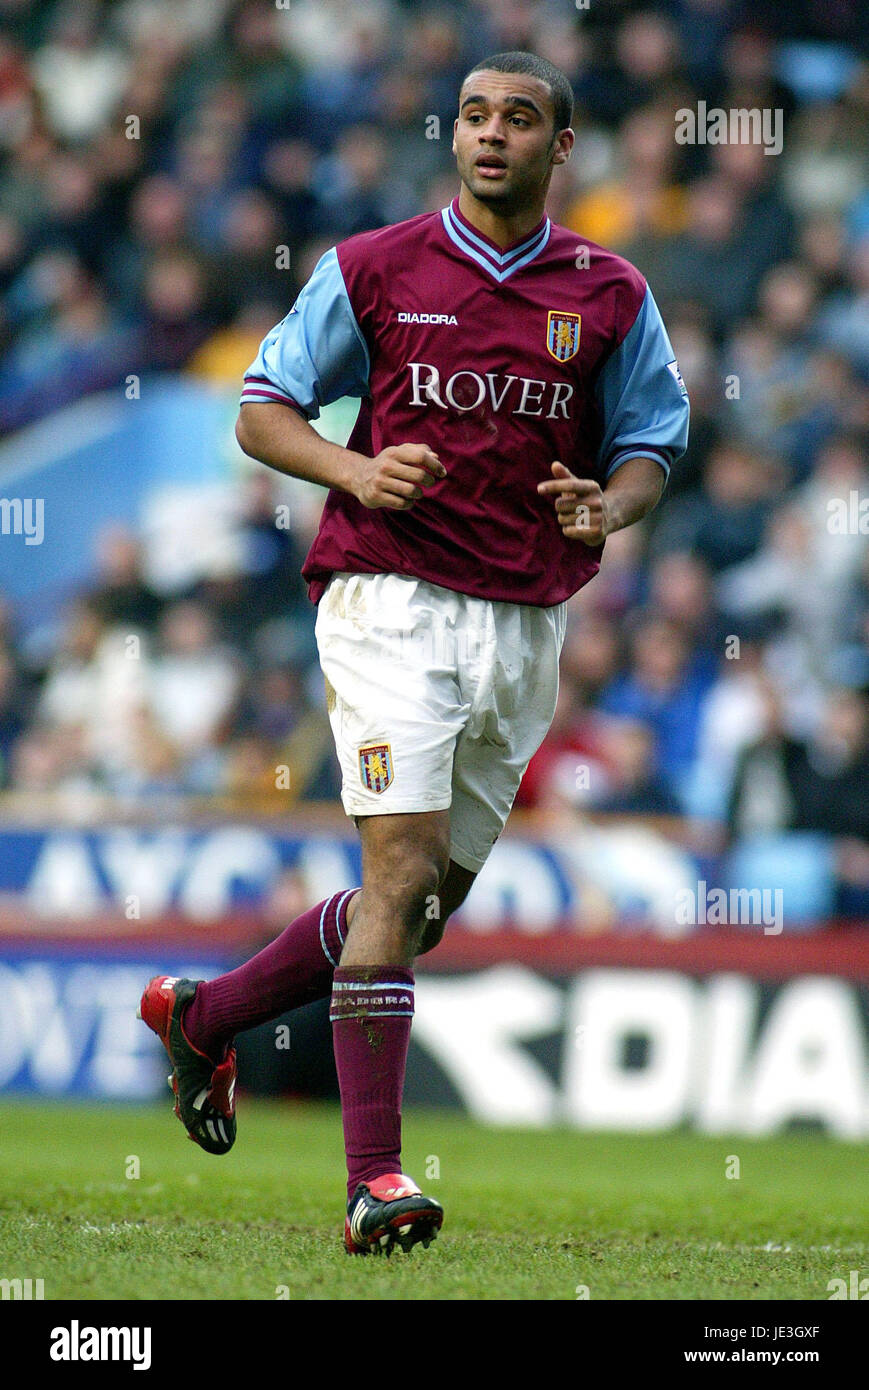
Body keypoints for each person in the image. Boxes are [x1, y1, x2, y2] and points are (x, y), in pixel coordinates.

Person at [139, 50, 689, 1257]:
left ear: (563, 147)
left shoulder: (609, 293)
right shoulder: (374, 265)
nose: (491, 134)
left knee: (422, 906)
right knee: (397, 874)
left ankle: (205, 1014)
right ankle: (375, 1180)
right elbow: (262, 403)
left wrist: (611, 505)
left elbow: (651, 439)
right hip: (387, 599)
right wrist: (351, 466)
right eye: (475, 116)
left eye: (520, 119)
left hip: (524, 623)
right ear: (454, 136)